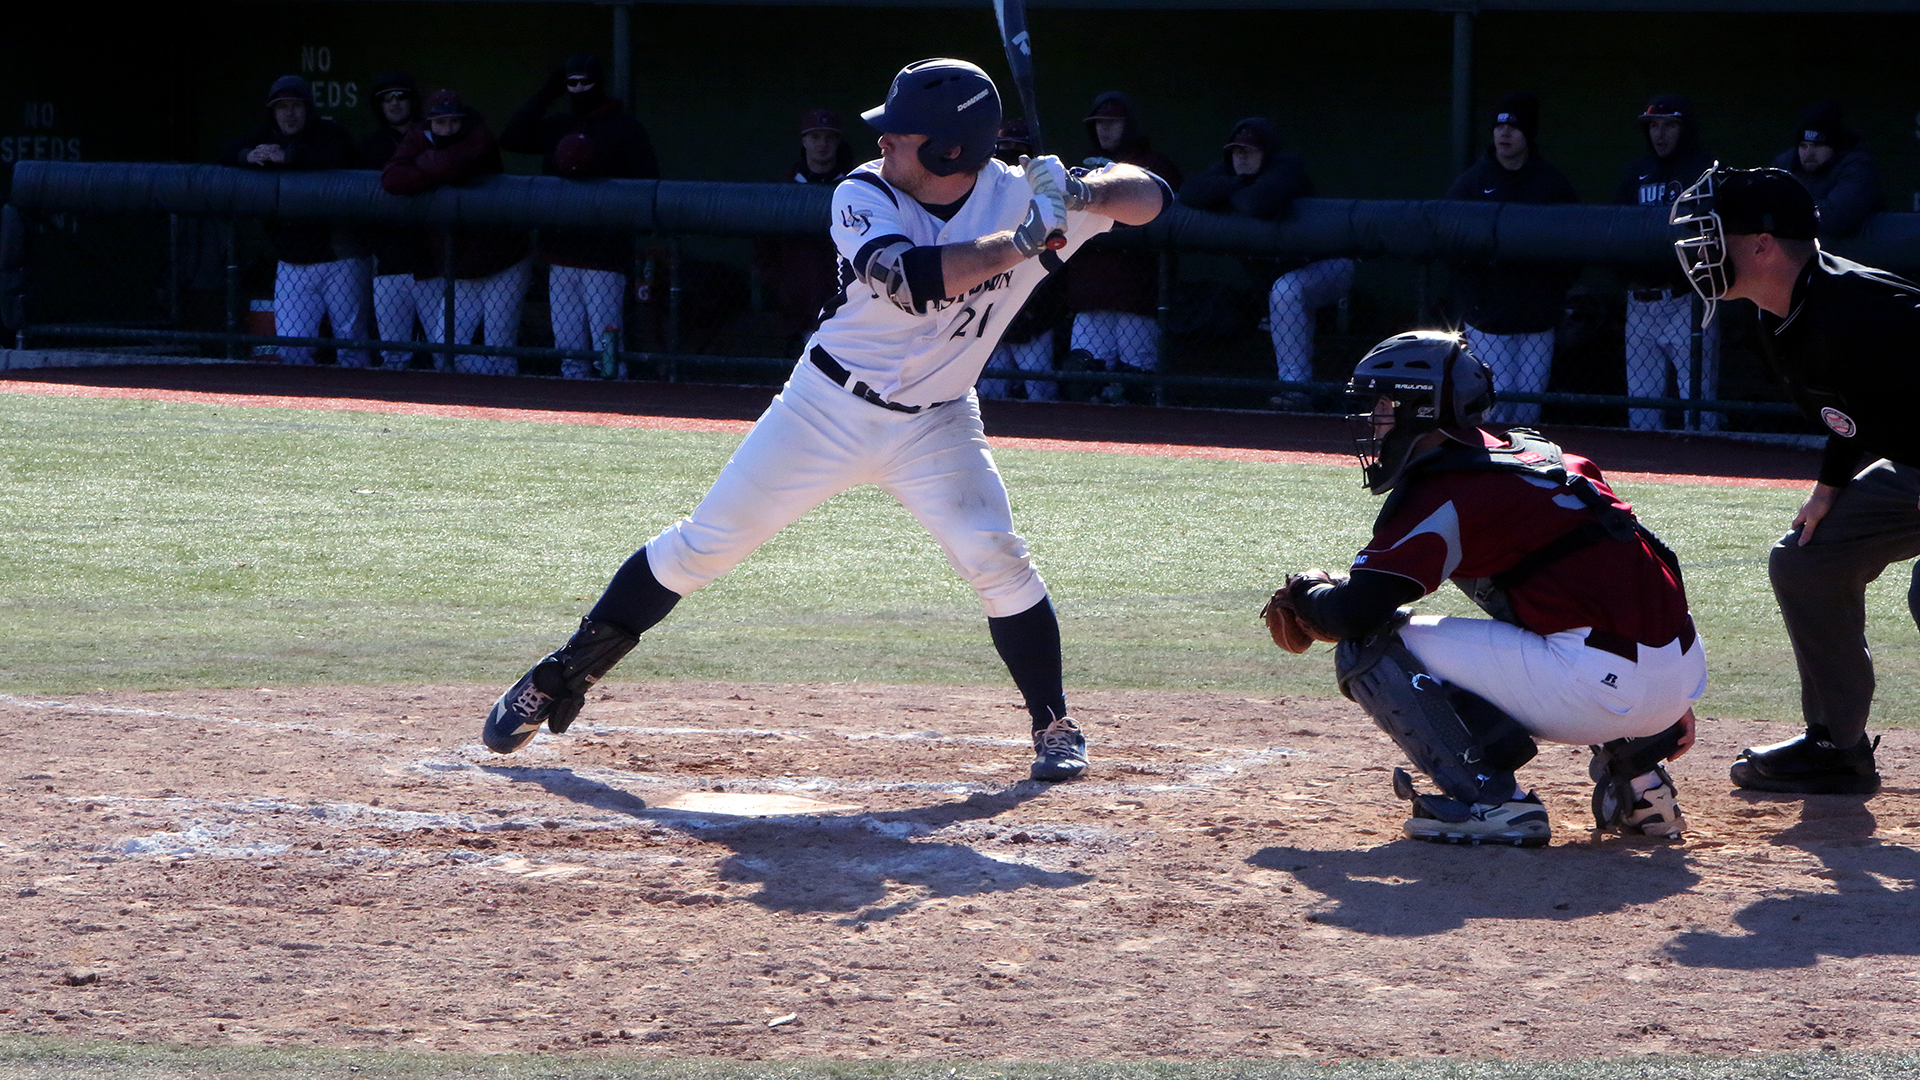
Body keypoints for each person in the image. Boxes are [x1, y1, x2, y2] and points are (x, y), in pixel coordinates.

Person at [478, 58, 1170, 781]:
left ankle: (1053, 724)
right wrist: (1026, 240)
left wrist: (1083, 189)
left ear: (948, 151)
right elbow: (911, 281)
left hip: (936, 423)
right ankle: (562, 674)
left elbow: (1154, 197)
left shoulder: (1021, 196)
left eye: (897, 137)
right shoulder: (863, 192)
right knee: (701, 547)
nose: (881, 145)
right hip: (825, 409)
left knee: (995, 554)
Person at [1267, 331, 1705, 845]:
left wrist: (1304, 592)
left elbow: (1354, 613)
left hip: (1602, 685)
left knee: (1372, 644)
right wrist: (1668, 701)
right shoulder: (1551, 458)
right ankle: (1643, 790)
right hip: (1679, 671)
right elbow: (1640, 570)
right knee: (1543, 604)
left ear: (1422, 408)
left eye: (1385, 403)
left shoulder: (1446, 488)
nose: (1375, 419)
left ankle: (1491, 803)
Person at [1673, 166, 1908, 795]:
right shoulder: (1776, 314)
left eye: (1710, 235)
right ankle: (1837, 748)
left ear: (1761, 245)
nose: (1697, 251)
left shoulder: (1874, 310)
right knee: (1807, 559)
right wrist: (1828, 489)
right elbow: (1854, 409)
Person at [501, 53, 660, 379]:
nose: (578, 90)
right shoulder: (559, 125)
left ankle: (616, 408)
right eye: (571, 84)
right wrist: (549, 91)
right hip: (561, 251)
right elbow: (512, 137)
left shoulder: (623, 128)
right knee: (569, 350)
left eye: (585, 83)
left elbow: (648, 179)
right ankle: (576, 408)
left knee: (608, 350)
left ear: (598, 84)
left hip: (605, 254)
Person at [1179, 118, 1350, 410]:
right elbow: (1191, 191)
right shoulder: (1231, 172)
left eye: (1250, 151)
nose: (1242, 156)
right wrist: (1236, 182)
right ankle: (1297, 388)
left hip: (1330, 265)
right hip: (1281, 276)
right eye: (1236, 151)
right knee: (1284, 293)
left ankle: (1294, 388)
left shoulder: (1287, 169)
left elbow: (1256, 204)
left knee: (1286, 291)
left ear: (1267, 153)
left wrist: (1230, 189)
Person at [1444, 93, 1579, 426]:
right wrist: (1475, 300)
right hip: (1488, 319)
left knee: (1529, 411)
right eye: (1498, 126)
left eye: (1514, 127)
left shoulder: (1551, 184)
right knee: (1496, 404)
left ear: (1528, 134)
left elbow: (1573, 246)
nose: (1504, 134)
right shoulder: (1472, 184)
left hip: (1537, 320)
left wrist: (1551, 298)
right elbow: (1450, 245)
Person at [220, 75, 370, 367]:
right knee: (291, 349)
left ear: (308, 108)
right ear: (273, 112)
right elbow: (224, 150)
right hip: (291, 262)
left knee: (352, 345)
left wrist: (288, 156)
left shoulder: (330, 132)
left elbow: (337, 154)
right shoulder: (263, 135)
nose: (289, 113)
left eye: (296, 106)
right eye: (282, 107)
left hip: (340, 259)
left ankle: (360, 404)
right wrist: (247, 155)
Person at [381, 90, 531, 376]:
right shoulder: (418, 134)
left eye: (453, 122)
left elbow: (452, 166)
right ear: (430, 123)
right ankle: (481, 399)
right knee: (445, 346)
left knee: (499, 349)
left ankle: (507, 407)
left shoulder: (477, 133)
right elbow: (391, 179)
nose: (447, 129)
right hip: (462, 269)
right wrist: (432, 165)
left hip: (504, 262)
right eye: (440, 123)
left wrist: (423, 162)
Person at [1062, 93, 1184, 402]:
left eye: (1113, 123)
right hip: (1091, 295)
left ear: (1128, 126)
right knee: (1083, 380)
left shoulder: (1154, 168)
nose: (1105, 129)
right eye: (1100, 123)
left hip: (1135, 298)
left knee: (1136, 385)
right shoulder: (1080, 170)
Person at [1614, 94, 1718, 432]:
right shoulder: (1635, 173)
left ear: (1684, 129)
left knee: (1699, 412)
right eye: (1654, 126)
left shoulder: (1703, 172)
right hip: (1641, 303)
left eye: (1669, 125)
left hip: (1686, 302)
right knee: (1641, 413)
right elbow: (1613, 231)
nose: (1660, 134)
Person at [976, 118, 1067, 402]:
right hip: (991, 310)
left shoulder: (1048, 191)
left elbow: (1056, 273)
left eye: (1017, 149)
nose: (1009, 154)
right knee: (988, 394)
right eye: (1004, 148)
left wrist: (1039, 315)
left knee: (1040, 390)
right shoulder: (982, 193)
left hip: (1034, 314)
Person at [751, 108, 853, 357]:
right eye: (816, 137)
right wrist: (780, 288)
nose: (822, 145)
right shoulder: (785, 186)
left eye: (829, 138)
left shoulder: (855, 185)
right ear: (804, 141)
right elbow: (764, 249)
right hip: (795, 305)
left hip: (846, 303)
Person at [358, 72, 435, 371]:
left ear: (412, 101)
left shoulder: (434, 139)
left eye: (400, 96)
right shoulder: (369, 148)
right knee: (394, 356)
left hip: (433, 264)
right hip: (390, 264)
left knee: (444, 352)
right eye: (386, 99)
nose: (394, 104)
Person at [1773, 102, 1883, 241]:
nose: (1809, 153)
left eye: (1817, 146)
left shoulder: (1858, 167)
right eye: (1803, 146)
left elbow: (1834, 218)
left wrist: (1783, 210)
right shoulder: (1786, 163)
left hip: (1852, 255)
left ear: (1834, 147)